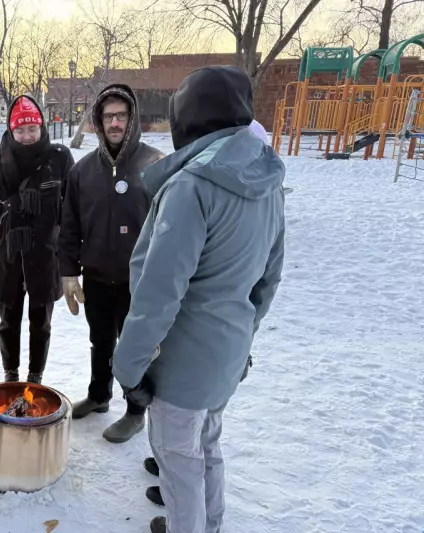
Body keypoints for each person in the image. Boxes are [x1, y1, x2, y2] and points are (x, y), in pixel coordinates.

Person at [112, 66, 285, 533]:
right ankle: (209, 525)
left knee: (178, 459)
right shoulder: (264, 179)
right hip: (226, 355)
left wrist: (129, 368)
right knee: (207, 444)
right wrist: (241, 339)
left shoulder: (192, 186)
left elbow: (158, 292)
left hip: (182, 364)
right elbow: (268, 280)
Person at [58, 84, 165, 443]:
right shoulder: (83, 171)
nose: (115, 123)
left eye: (121, 116)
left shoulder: (155, 164)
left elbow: (171, 228)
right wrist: (69, 272)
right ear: (98, 123)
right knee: (100, 340)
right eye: (108, 117)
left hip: (140, 281)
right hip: (98, 276)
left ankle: (135, 411)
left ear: (131, 119)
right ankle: (99, 395)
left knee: (135, 348)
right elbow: (69, 224)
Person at [0, 95, 74, 384]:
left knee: (42, 322)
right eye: (20, 130)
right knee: (8, 320)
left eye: (32, 129)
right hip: (9, 252)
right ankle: (11, 373)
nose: (27, 136)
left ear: (41, 126)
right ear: (11, 130)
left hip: (45, 252)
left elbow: (71, 203)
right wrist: (3, 209)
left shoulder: (60, 157)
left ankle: (35, 376)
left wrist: (67, 244)